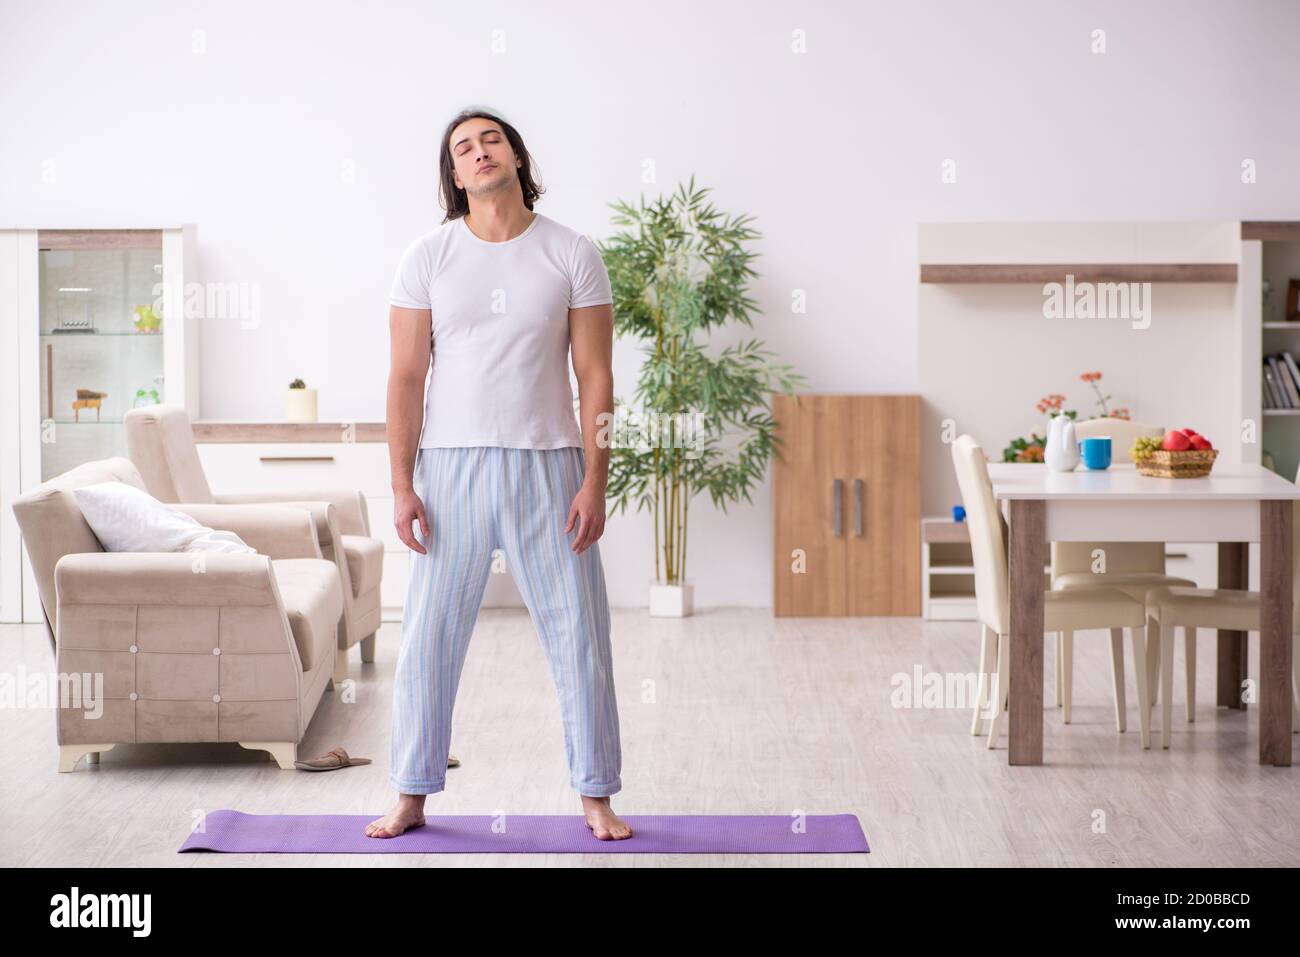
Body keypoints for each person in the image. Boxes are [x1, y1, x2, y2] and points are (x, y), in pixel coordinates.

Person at [367, 108, 630, 841]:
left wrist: (595, 479)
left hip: (550, 467)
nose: (479, 152)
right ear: (454, 175)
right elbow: (405, 377)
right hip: (449, 470)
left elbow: (597, 376)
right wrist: (400, 484)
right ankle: (412, 793)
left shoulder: (572, 252)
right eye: (463, 148)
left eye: (491, 139)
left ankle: (596, 792)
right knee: (427, 639)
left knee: (580, 633)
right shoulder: (428, 257)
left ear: (515, 154)